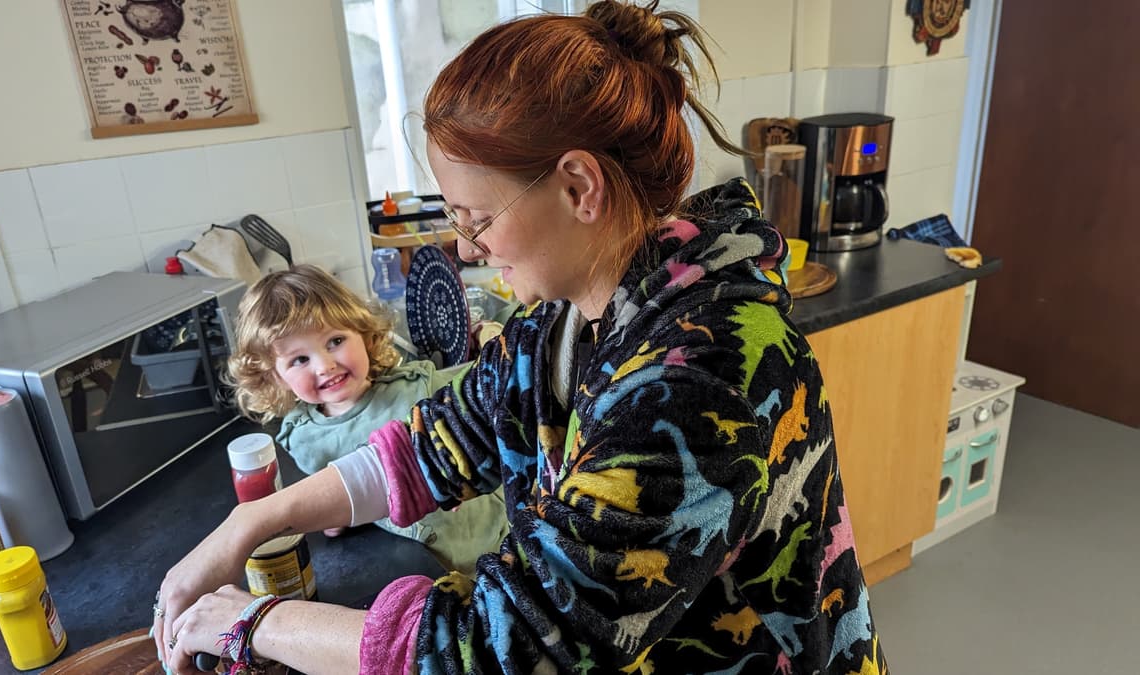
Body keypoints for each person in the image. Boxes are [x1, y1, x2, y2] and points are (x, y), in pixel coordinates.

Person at [153, 2, 889, 673]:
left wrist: (252, 621)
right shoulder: (560, 322)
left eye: (475, 219)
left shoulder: (699, 374)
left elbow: (509, 649)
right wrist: (255, 518)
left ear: (578, 186)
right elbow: (431, 446)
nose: (468, 248)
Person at [225, 264, 508, 573]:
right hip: (420, 567)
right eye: (300, 359)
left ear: (364, 334)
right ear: (275, 377)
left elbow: (488, 389)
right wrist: (334, 516)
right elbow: (341, 494)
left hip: (491, 543)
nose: (325, 365)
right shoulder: (304, 438)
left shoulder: (418, 389)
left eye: (335, 341)